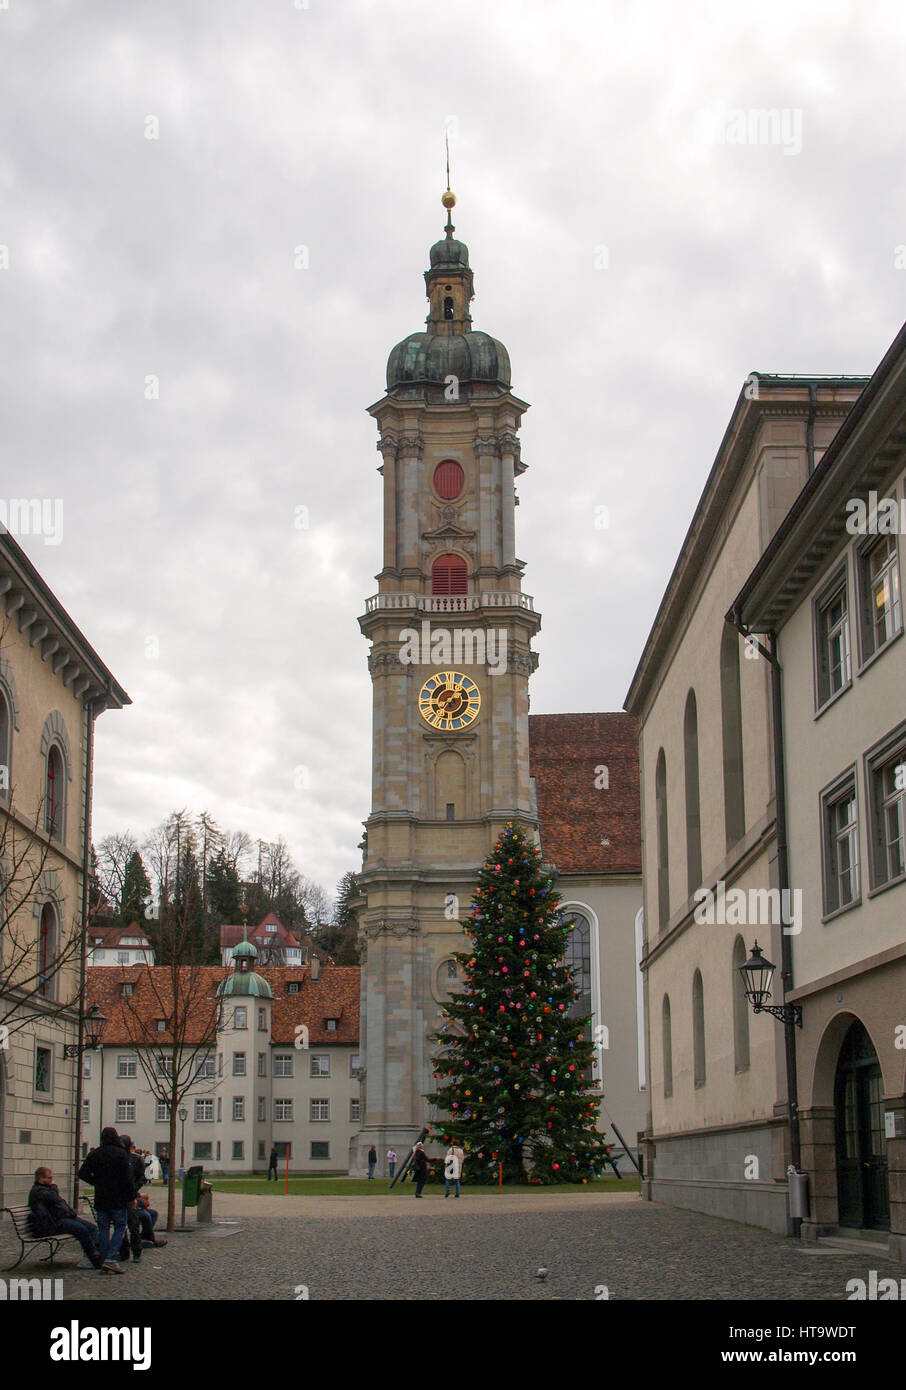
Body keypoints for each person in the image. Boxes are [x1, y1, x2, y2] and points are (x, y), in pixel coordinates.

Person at [78, 1126, 135, 1274]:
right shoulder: (121, 1154)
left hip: (102, 1198)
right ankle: (111, 1259)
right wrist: (132, 1197)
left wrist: (95, 1182)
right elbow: (128, 1179)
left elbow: (82, 1173)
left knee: (103, 1229)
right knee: (120, 1227)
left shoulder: (95, 1154)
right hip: (118, 1199)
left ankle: (103, 1259)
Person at [28, 1167, 103, 1269]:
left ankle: (98, 1253)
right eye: (49, 1178)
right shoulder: (37, 1191)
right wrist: (54, 1187)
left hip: (64, 1217)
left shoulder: (47, 1189)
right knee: (82, 1230)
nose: (52, 1180)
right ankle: (94, 1259)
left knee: (92, 1227)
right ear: (41, 1179)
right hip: (53, 1223)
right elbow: (53, 1198)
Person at [118, 1136, 147, 1263]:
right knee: (123, 1226)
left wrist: (134, 1190)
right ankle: (125, 1251)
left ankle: (136, 1251)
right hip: (121, 1196)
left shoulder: (136, 1159)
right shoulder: (119, 1159)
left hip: (130, 1196)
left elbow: (141, 1178)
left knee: (132, 1225)